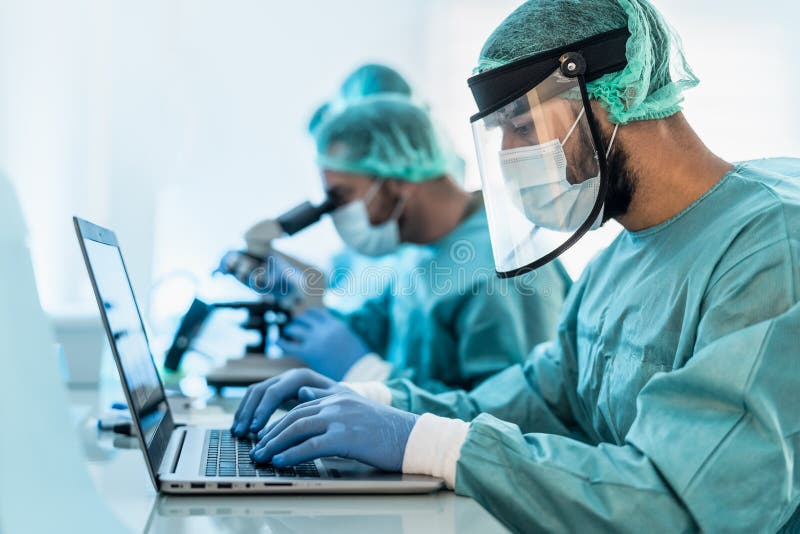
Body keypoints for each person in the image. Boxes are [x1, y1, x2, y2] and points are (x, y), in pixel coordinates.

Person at [233, 1, 800, 529]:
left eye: (522, 127)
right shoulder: (617, 263)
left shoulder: (771, 243)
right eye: (500, 132)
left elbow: (685, 502)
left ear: (610, 96)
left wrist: (429, 445)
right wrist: (377, 404)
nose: (507, 158)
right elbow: (538, 401)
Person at [231, 87, 570, 426]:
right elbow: (380, 330)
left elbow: (516, 419)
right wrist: (304, 301)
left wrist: (366, 373)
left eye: (341, 196)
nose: (335, 214)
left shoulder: (505, 267)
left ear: (397, 178)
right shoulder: (420, 249)